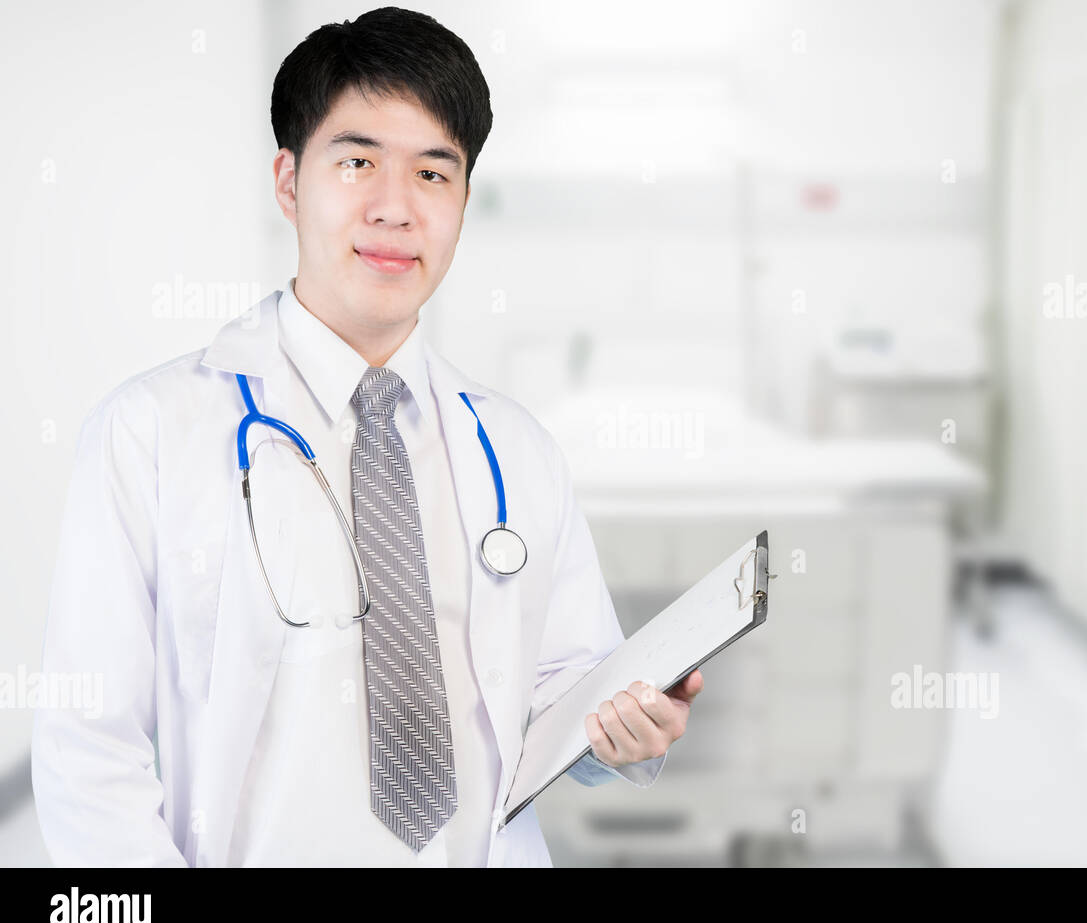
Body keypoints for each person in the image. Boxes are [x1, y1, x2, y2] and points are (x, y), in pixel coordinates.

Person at [31, 5, 702, 867]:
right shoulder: (151, 431)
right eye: (356, 163)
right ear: (288, 182)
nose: (395, 208)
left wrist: (625, 736)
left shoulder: (517, 452)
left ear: (462, 201)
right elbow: (90, 752)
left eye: (433, 174)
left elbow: (564, 703)